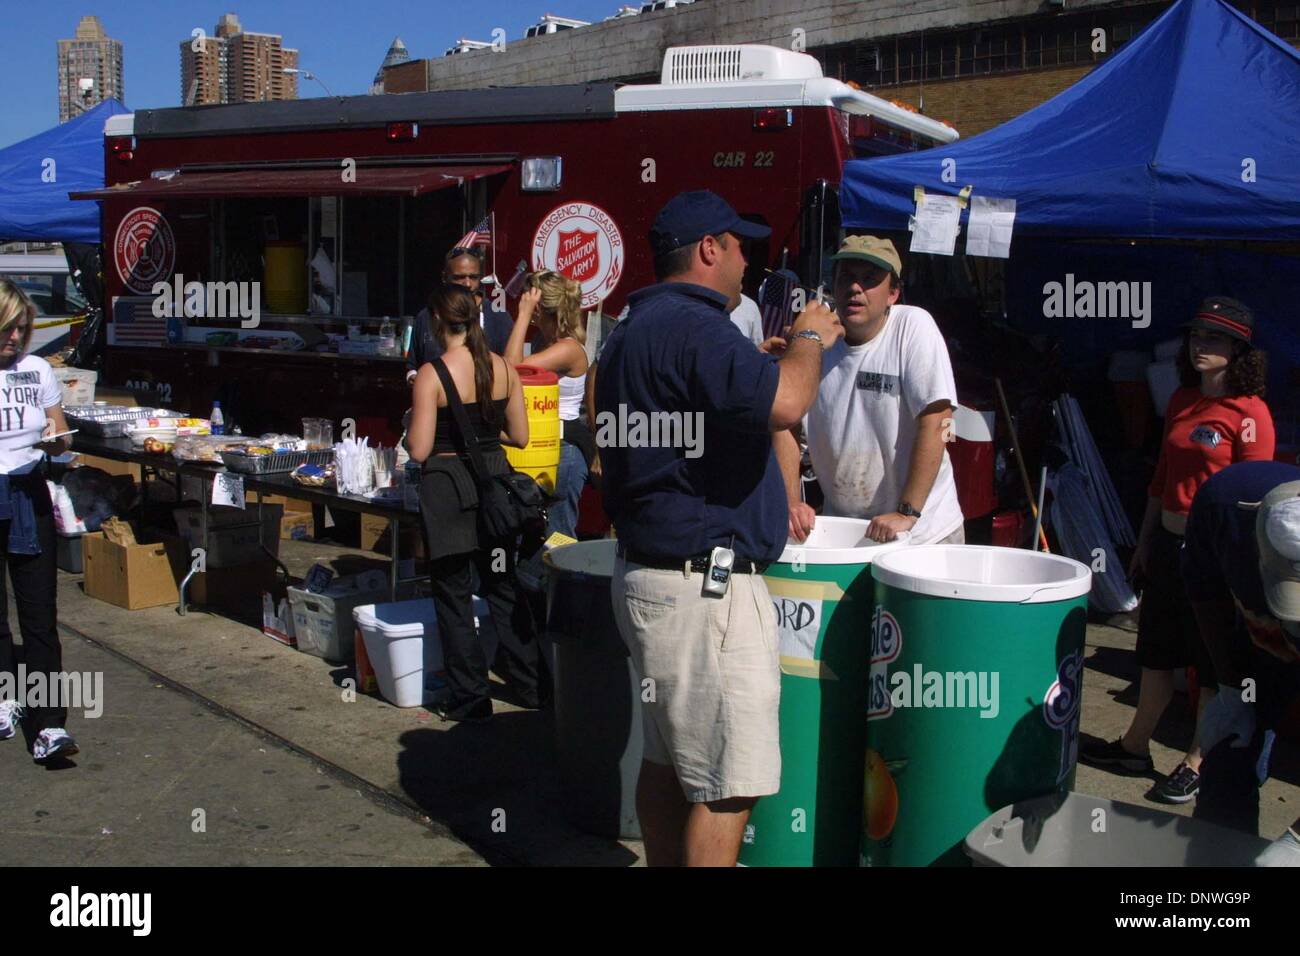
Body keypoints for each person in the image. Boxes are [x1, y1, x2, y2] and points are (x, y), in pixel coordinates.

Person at [596, 190, 843, 866]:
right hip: (704, 593)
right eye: (740, 246)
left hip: (654, 578)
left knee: (669, 762)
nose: (748, 262)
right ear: (709, 249)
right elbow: (791, 398)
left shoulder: (633, 328)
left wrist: (759, 367)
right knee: (729, 785)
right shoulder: (695, 326)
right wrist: (810, 337)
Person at [1081, 297, 1273, 804]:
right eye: (1196, 336)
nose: (1200, 345)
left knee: (1209, 664)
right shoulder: (1184, 401)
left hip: (1215, 554)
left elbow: (1256, 497)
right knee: (1155, 653)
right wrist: (1144, 544)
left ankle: (1197, 760)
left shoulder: (1250, 414)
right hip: (1167, 545)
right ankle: (1134, 746)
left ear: (1238, 350)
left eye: (1213, 338)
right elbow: (1160, 479)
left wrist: (1241, 569)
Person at [406, 283, 545, 722]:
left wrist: (415, 423)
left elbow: (420, 449)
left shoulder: (432, 374)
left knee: (454, 598)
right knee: (503, 588)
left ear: (436, 321)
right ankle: (532, 686)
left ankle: (470, 698)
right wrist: (484, 436)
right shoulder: (504, 368)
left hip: (449, 496)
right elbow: (520, 436)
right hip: (496, 493)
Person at [777, 236, 963, 546]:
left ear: (893, 293)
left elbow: (939, 421)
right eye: (847, 277)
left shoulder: (914, 327)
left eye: (870, 280)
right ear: (833, 286)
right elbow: (785, 423)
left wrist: (907, 513)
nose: (855, 288)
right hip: (848, 534)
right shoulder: (813, 343)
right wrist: (791, 503)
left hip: (923, 533)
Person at [1177, 460, 1300, 863]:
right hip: (1255, 659)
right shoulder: (1226, 503)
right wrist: (1231, 687)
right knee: (1226, 767)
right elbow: (1205, 593)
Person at [0, 278, 77, 761]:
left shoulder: (37, 370)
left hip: (29, 495)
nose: (15, 338)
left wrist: (57, 438)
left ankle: (49, 724)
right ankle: (6, 700)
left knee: (40, 617)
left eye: (22, 329)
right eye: (8, 328)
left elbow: (63, 433)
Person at [504, 271, 592, 538]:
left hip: (563, 449)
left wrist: (521, 316)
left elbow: (511, 369)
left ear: (540, 308)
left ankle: (567, 581)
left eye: (531, 305)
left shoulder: (568, 349)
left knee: (557, 536)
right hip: (540, 445)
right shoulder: (545, 342)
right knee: (530, 532)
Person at [406, 247, 513, 384]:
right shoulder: (427, 316)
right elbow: (412, 365)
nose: (467, 284)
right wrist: (415, 378)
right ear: (445, 277)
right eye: (459, 277)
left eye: (474, 277)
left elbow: (510, 369)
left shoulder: (499, 317)